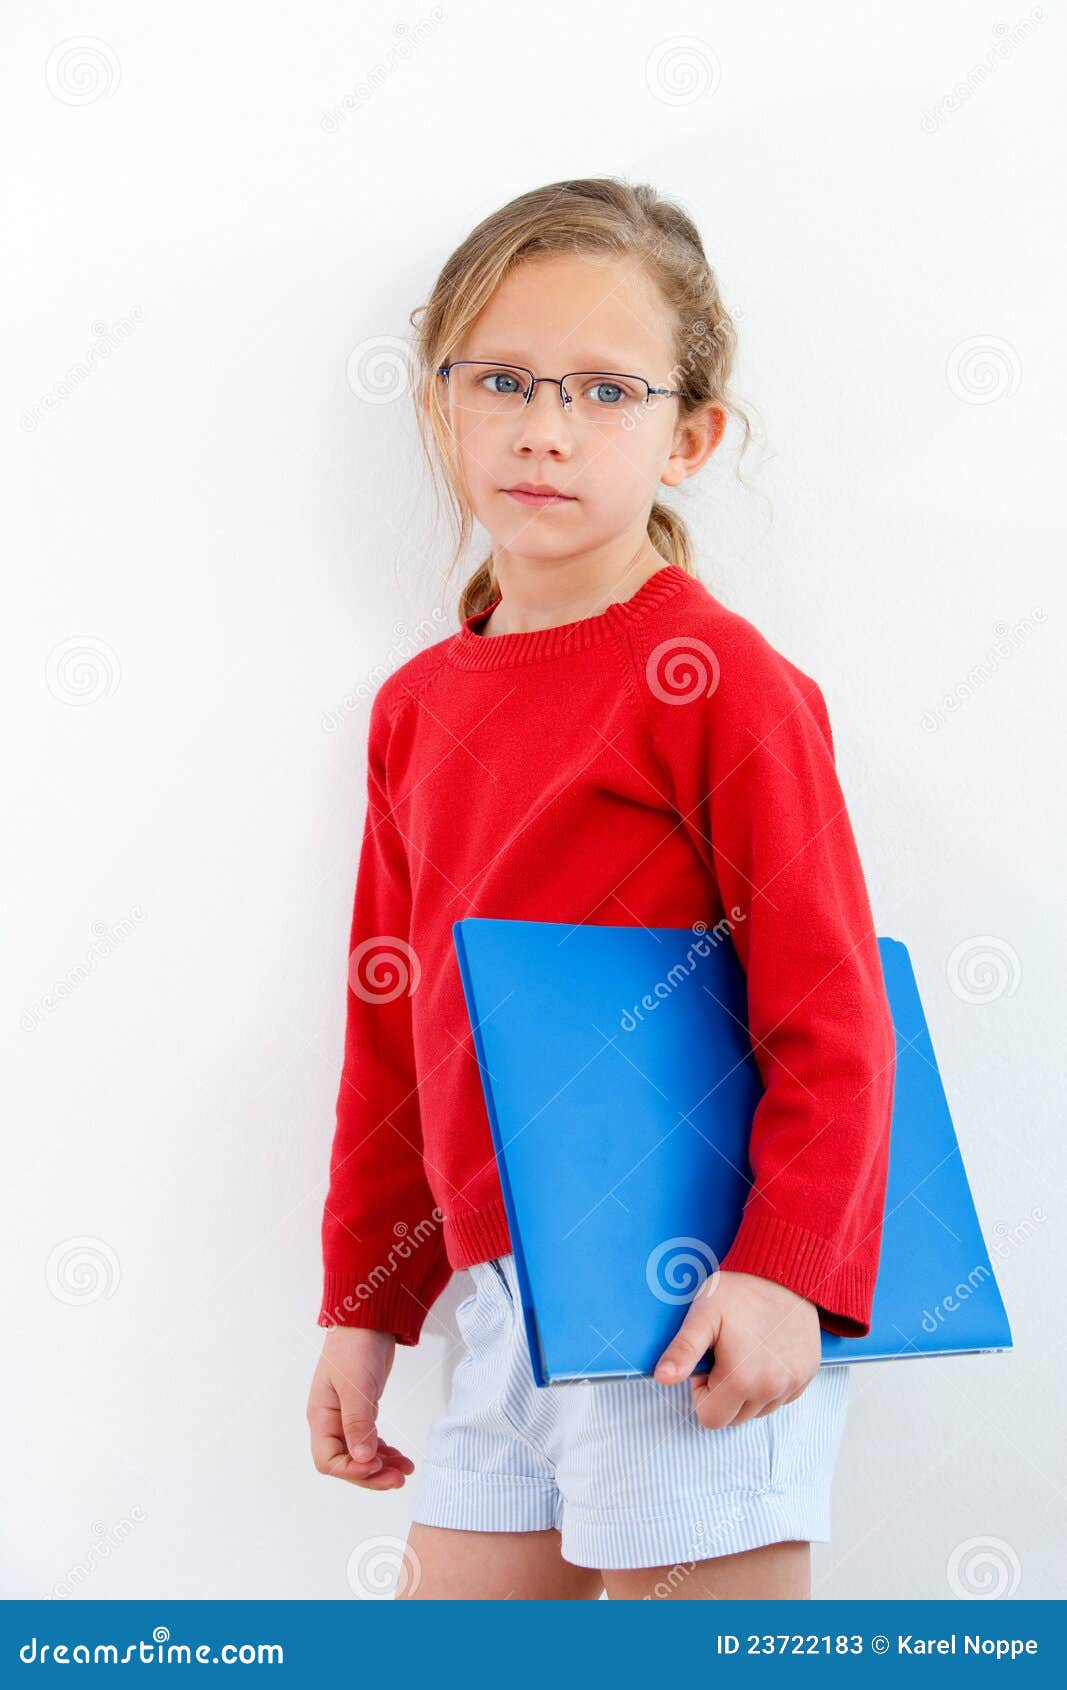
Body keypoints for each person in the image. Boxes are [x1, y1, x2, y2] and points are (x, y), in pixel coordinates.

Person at [306, 177, 896, 1601]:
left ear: (689, 434)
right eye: (500, 379)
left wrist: (785, 1264)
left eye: (605, 392)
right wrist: (364, 1301)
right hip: (502, 1306)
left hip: (685, 1288)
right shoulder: (413, 710)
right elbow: (395, 1028)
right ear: (441, 400)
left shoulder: (722, 688)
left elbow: (835, 1010)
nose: (544, 428)